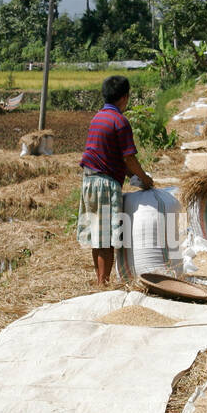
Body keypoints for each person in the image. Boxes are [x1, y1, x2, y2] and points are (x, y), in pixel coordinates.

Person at [77, 75, 154, 286]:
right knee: (107, 239)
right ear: (125, 97)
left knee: (97, 236)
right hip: (104, 185)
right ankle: (103, 284)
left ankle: (100, 280)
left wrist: (132, 176)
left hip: (89, 181)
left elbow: (111, 156)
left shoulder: (98, 118)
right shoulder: (119, 121)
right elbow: (128, 158)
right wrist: (145, 179)